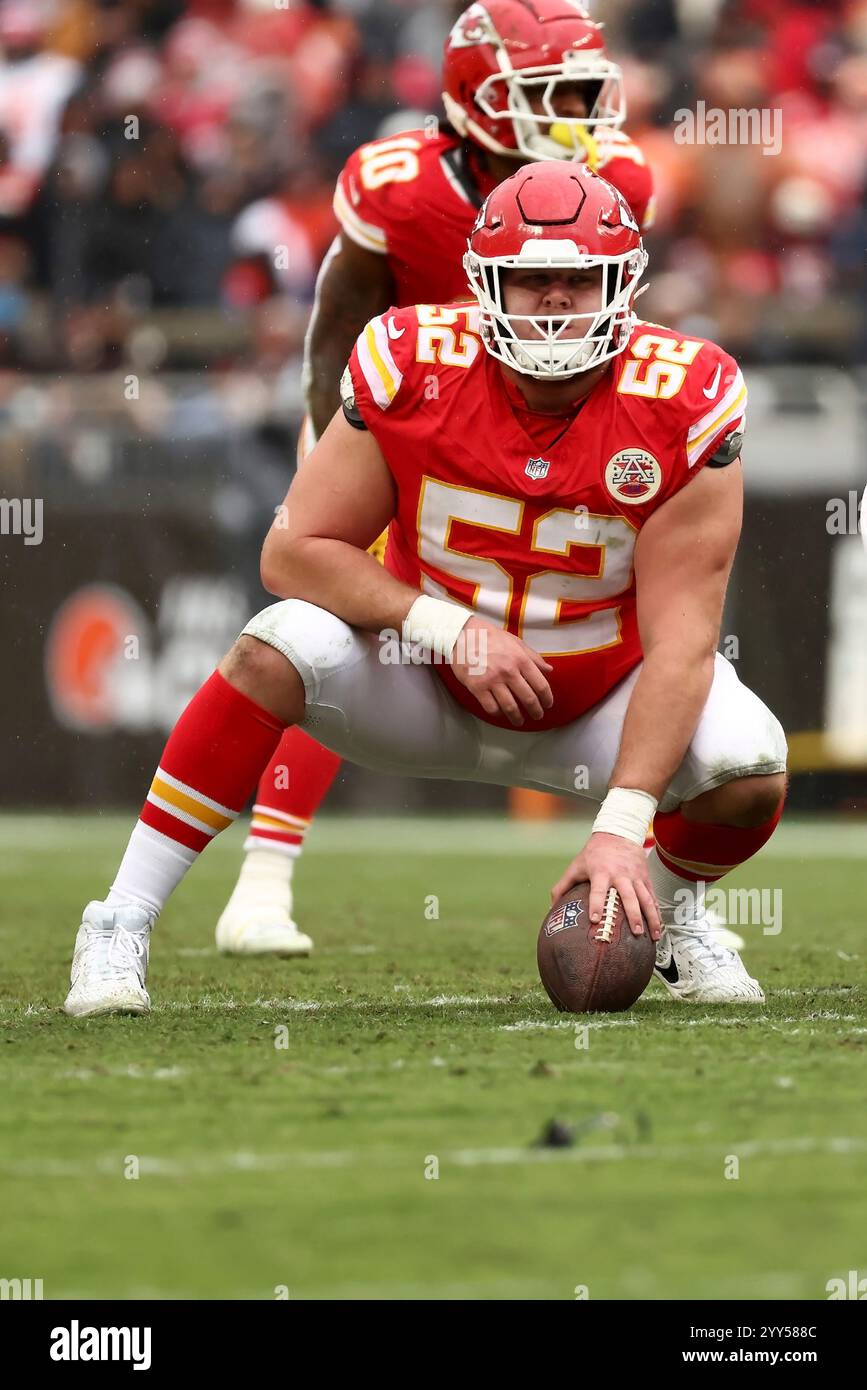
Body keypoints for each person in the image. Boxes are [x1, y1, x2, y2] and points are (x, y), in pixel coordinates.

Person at [64, 162, 786, 1018]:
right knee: (277, 644)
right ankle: (119, 920)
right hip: (421, 683)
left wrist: (622, 829)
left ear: (619, 285)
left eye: (575, 280)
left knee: (749, 766)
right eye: (530, 280)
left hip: (601, 705)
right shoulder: (412, 360)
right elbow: (295, 550)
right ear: (485, 284)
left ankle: (659, 908)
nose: (554, 303)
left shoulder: (683, 398)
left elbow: (684, 644)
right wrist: (443, 627)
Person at [215, 0, 656, 958]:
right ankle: (262, 875)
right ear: (473, 99)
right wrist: (334, 442)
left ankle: (671, 886)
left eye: (586, 90)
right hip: (404, 433)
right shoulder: (400, 186)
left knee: (619, 623)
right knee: (332, 634)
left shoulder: (616, 178)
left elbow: (616, 337)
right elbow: (339, 323)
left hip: (548, 441)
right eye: (553, 93)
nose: (579, 113)